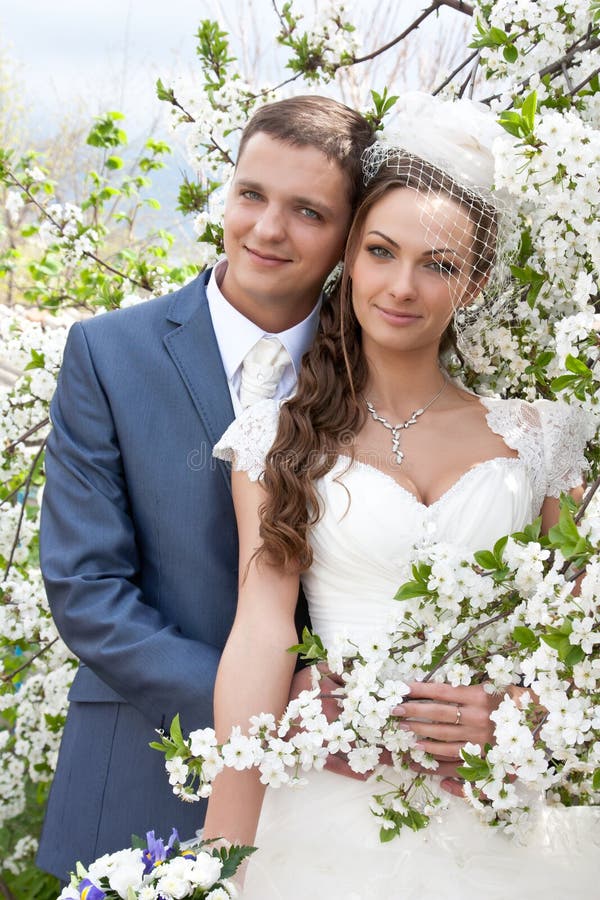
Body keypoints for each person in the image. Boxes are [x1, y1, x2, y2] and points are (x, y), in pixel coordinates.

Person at [205, 93, 598, 898]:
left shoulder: (544, 438)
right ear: (351, 253)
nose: (402, 287)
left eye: (439, 265)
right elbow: (259, 634)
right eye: (382, 252)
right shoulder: (275, 435)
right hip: (328, 798)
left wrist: (522, 713)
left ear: (476, 283)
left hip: (504, 812)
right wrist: (216, 863)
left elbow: (579, 631)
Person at [36, 94, 375, 880]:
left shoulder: (380, 372)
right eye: (251, 194)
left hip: (336, 795)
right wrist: (268, 711)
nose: (266, 229)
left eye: (307, 212)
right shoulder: (107, 353)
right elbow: (86, 588)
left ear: (351, 239)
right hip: (144, 770)